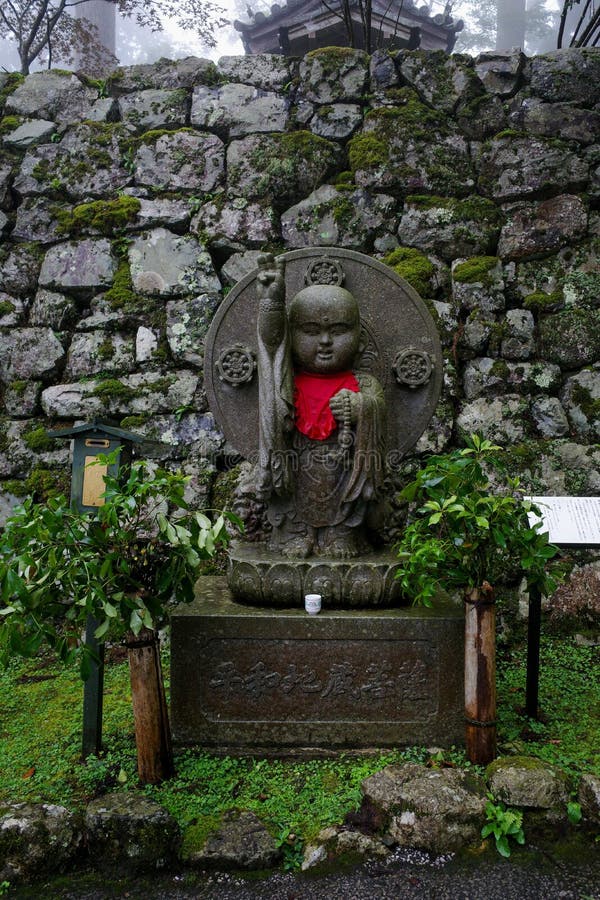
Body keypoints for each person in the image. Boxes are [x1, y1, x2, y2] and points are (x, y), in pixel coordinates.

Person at [255, 253, 387, 559]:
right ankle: (297, 532)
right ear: (294, 336)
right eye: (312, 332)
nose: (325, 341)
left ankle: (340, 535)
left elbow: (378, 420)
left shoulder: (363, 385)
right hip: (298, 469)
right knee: (287, 472)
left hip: (345, 475)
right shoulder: (289, 385)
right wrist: (272, 303)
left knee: (351, 496)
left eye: (338, 331)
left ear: (360, 339)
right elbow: (272, 348)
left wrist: (361, 408)